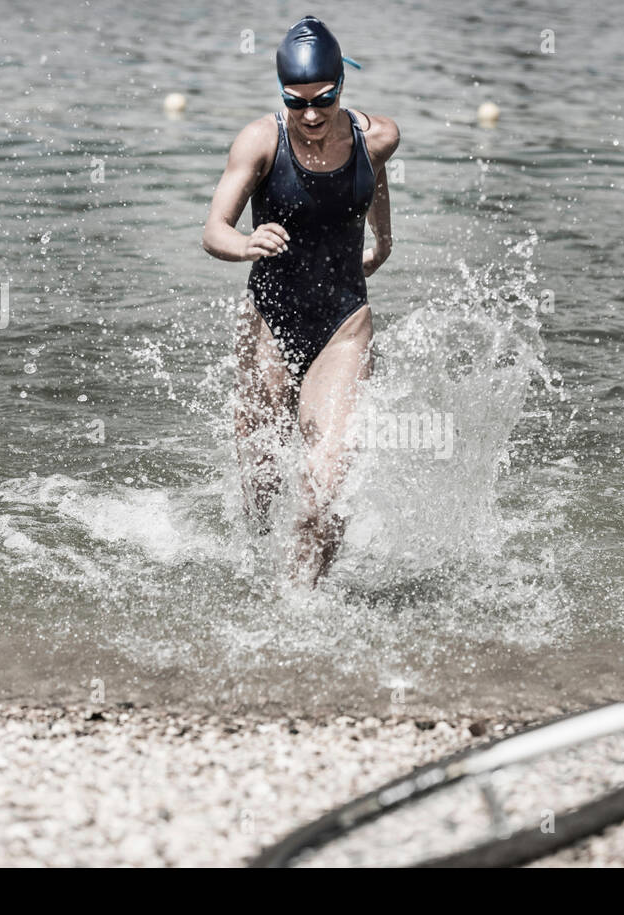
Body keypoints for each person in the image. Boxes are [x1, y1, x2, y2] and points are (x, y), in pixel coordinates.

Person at [202, 16, 400, 586]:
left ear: (342, 83)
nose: (311, 114)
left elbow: (375, 175)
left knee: (324, 486)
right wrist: (243, 244)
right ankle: (249, 571)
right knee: (260, 487)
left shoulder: (378, 136)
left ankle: (301, 604)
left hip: (343, 326)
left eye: (324, 99)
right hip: (270, 324)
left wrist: (383, 240)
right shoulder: (260, 142)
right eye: (297, 101)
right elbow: (213, 227)